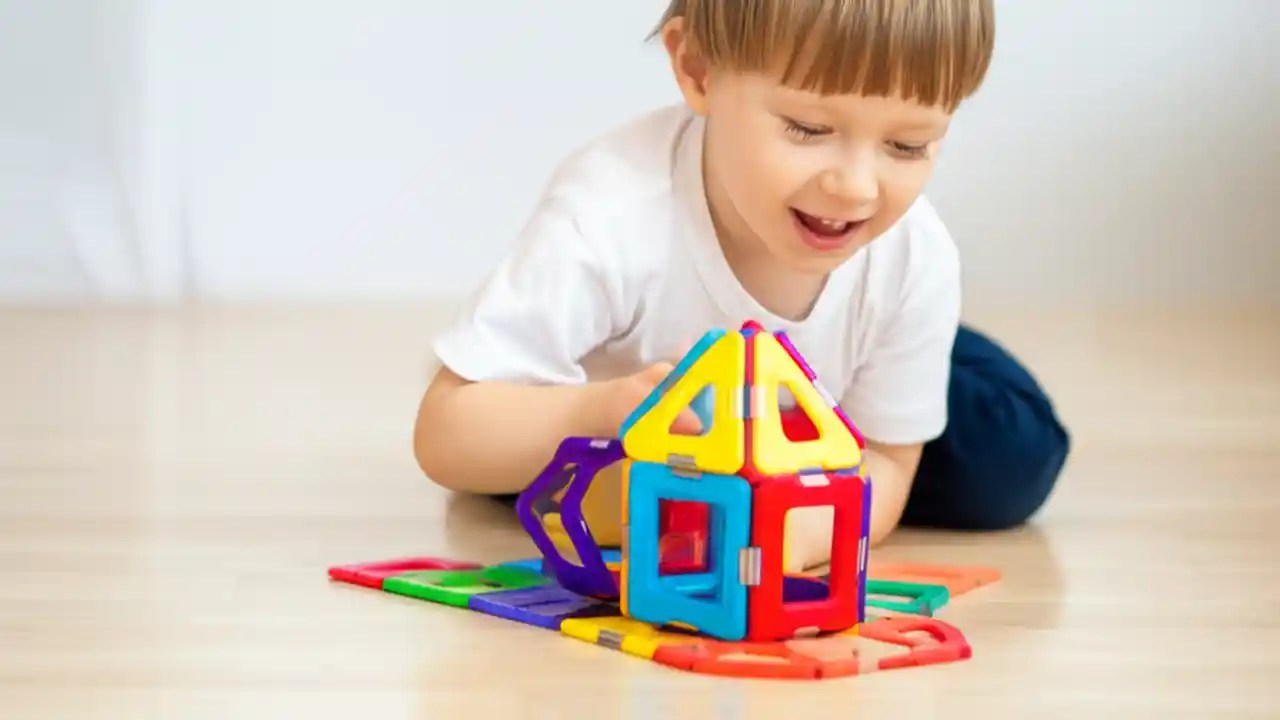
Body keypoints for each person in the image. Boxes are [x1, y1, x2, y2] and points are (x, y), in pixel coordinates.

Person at [413, 0, 1069, 570]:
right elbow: (444, 435)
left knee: (1007, 467)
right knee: (534, 480)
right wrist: (598, 412)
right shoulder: (609, 212)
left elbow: (887, 467)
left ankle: (916, 353)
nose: (856, 186)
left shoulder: (912, 253)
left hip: (841, 371)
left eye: (907, 147)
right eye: (808, 130)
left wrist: (799, 530)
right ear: (699, 70)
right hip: (625, 396)